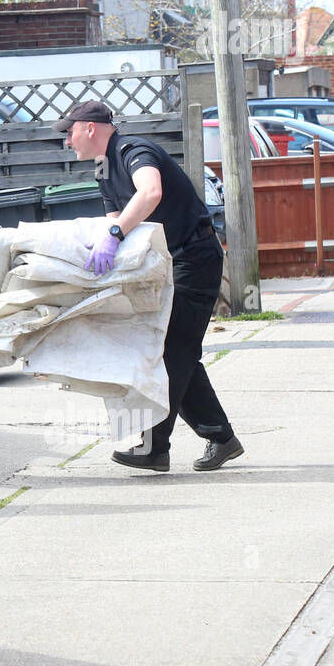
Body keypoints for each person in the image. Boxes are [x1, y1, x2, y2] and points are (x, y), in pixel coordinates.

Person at [54, 100, 244, 473]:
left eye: (69, 131)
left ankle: (155, 447)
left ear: (90, 128)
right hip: (165, 264)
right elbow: (118, 225)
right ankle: (221, 437)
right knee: (177, 351)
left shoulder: (133, 151)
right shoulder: (104, 169)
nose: (66, 141)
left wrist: (113, 233)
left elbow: (150, 193)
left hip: (194, 258)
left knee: (170, 351)